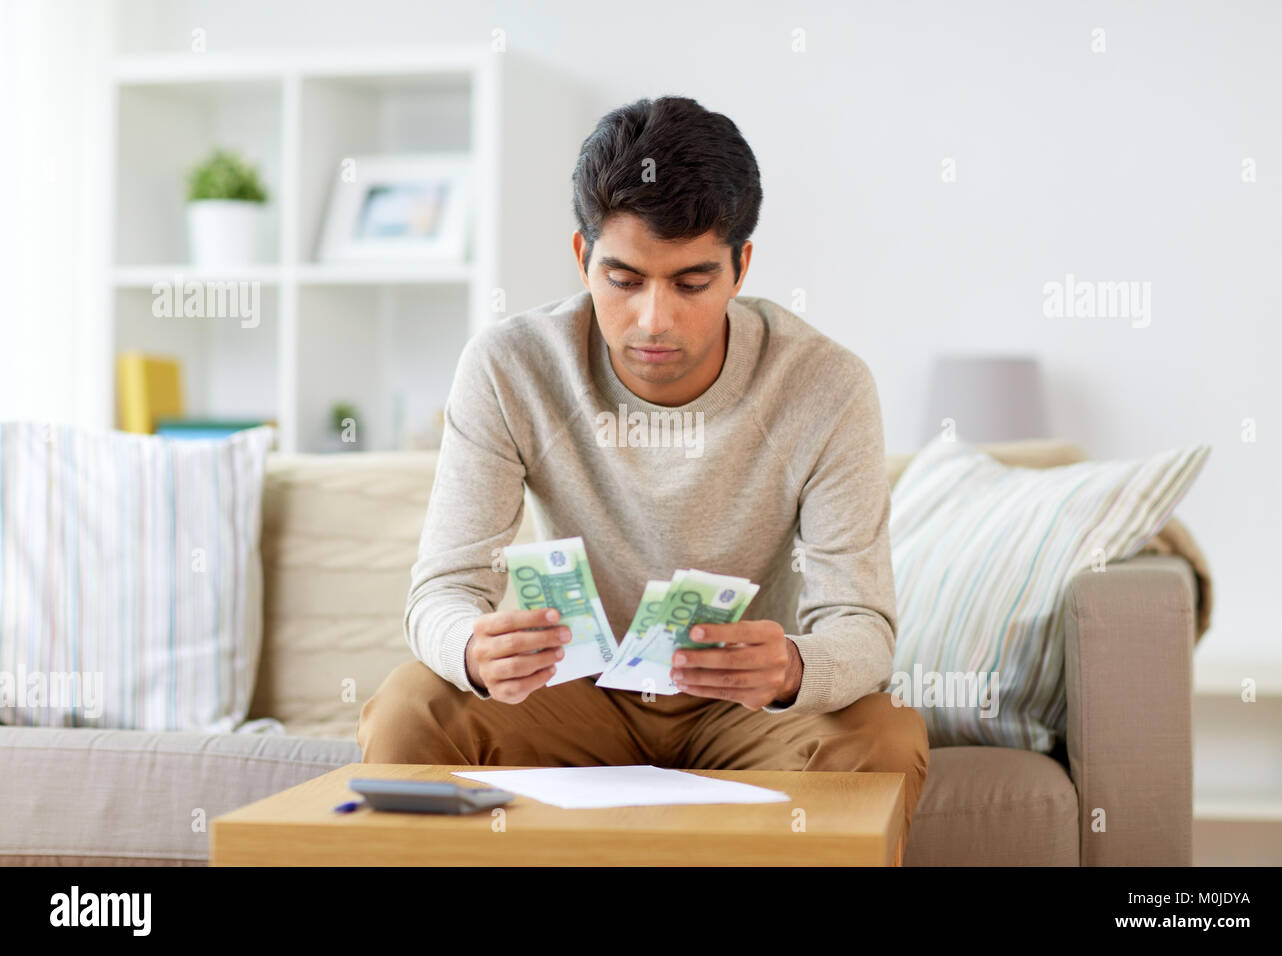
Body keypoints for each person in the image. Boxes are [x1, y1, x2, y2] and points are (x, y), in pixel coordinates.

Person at [357, 95, 929, 853]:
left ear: (741, 268)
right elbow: (442, 589)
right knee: (410, 708)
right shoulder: (510, 367)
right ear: (582, 257)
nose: (654, 319)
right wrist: (472, 649)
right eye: (624, 280)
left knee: (883, 739)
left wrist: (793, 667)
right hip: (571, 698)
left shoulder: (826, 385)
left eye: (691, 283)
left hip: (743, 709)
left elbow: (862, 626)